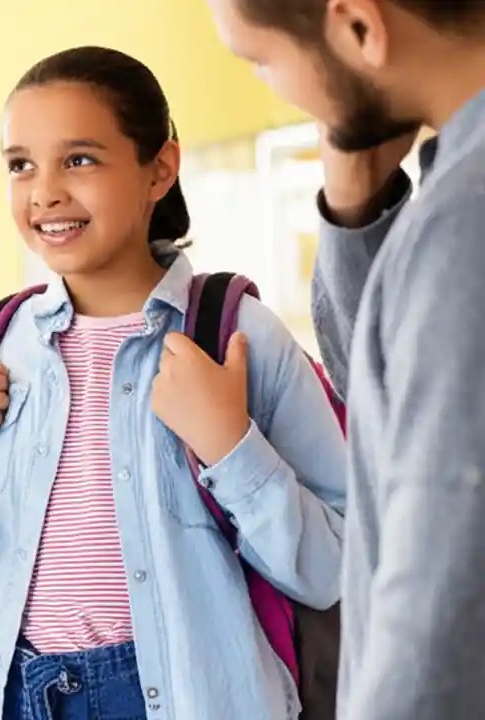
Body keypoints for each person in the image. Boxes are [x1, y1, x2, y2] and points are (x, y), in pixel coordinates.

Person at [0, 46, 347, 720]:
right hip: (22, 696)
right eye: (20, 164)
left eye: (80, 159)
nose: (46, 190)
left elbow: (333, 568)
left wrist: (231, 447)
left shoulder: (238, 335)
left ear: (160, 170)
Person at [205, 1, 485, 717]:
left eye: (261, 60)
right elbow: (391, 393)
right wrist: (357, 203)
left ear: (360, 26)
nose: (276, 87)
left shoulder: (464, 223)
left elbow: (440, 611)